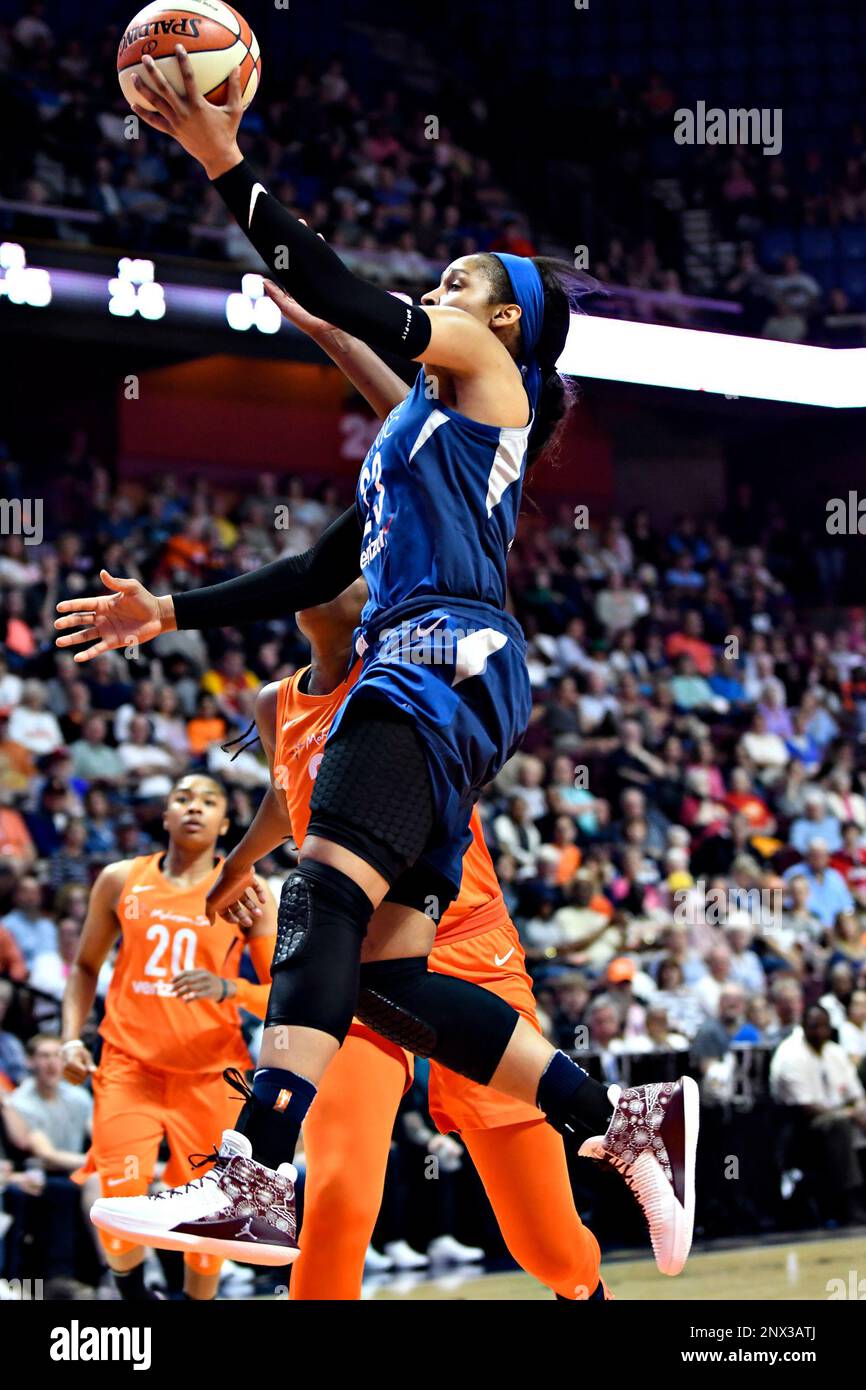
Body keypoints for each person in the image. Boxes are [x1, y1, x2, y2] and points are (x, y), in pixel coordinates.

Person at [55, 46, 697, 1278]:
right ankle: (621, 1119)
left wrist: (222, 161)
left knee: (317, 896)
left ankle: (247, 1180)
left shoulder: (493, 370)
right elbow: (314, 566)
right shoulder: (424, 444)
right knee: (384, 981)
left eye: (457, 282)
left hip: (432, 661)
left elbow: (352, 295)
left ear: (501, 321)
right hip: (449, 673)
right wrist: (166, 611)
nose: (435, 287)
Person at [227, 585, 606, 1300]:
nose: (320, 579)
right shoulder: (275, 703)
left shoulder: (409, 675)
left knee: (547, 1247)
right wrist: (239, 860)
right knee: (338, 1197)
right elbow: (288, 794)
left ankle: (588, 1290)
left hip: (463, 947)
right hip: (347, 958)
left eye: (341, 570)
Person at [60, 774, 277, 1301]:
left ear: (225, 823)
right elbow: (85, 967)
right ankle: (135, 1300)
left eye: (208, 801)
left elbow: (280, 994)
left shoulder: (247, 889)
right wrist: (70, 1038)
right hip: (128, 1066)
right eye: (183, 799)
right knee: (119, 1201)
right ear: (165, 816)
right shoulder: (120, 879)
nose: (194, 808)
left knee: (209, 1217)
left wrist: (228, 988)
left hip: (211, 1075)